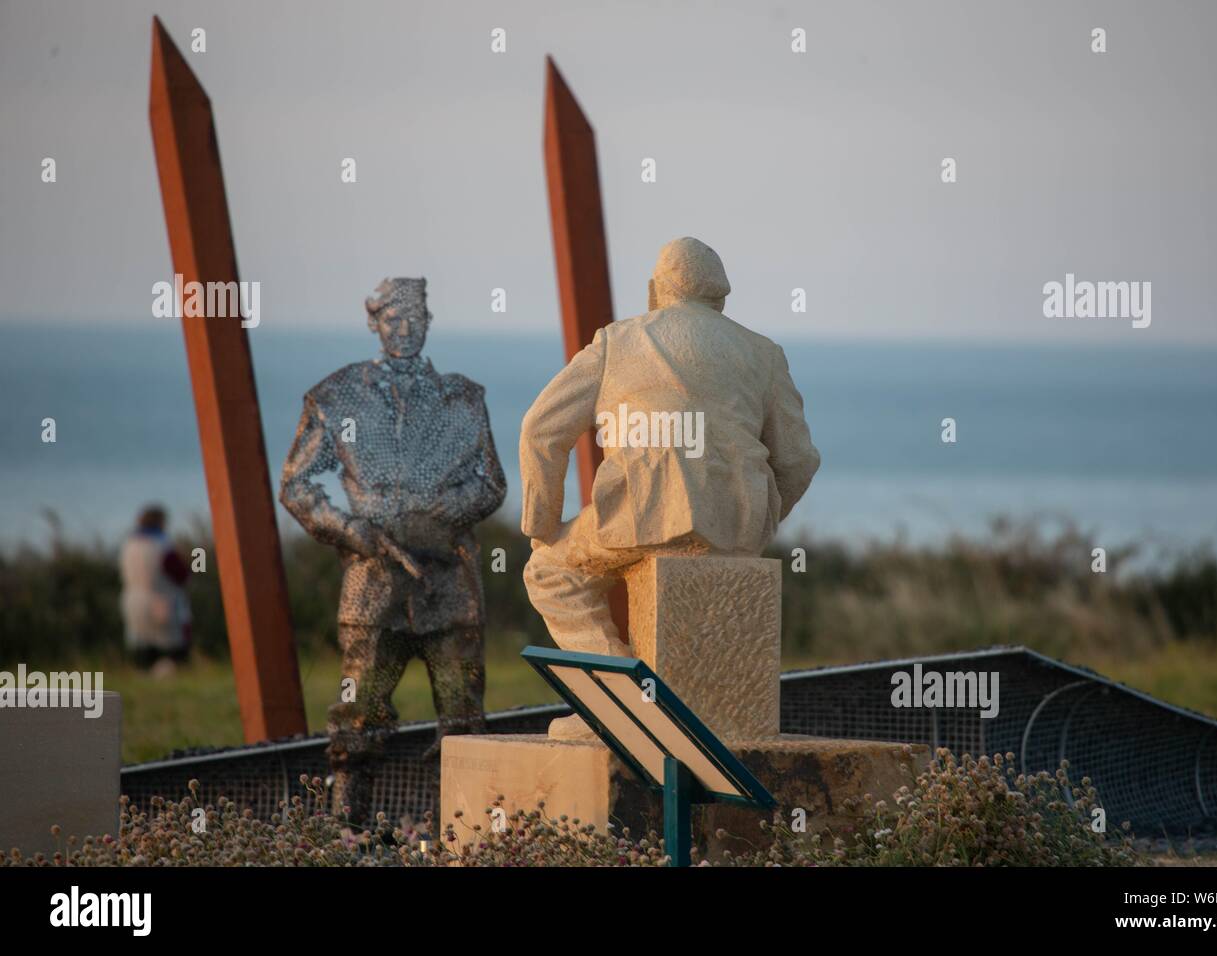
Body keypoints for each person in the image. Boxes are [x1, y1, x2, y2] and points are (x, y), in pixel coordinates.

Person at [520, 237, 821, 739]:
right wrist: (755, 525)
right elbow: (798, 460)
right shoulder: (764, 353)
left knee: (550, 571)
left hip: (642, 516)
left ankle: (621, 706)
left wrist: (540, 522)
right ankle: (635, 705)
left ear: (656, 291)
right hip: (736, 525)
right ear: (719, 299)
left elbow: (540, 430)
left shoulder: (618, 342)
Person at [280, 277, 506, 824]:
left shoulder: (464, 397)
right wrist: (348, 529)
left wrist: (445, 512)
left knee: (461, 714)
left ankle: (463, 827)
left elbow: (492, 483)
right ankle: (349, 827)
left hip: (449, 584)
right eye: (392, 319)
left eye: (414, 318)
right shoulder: (336, 397)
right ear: (374, 324)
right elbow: (297, 485)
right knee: (358, 713)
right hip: (372, 585)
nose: (404, 329)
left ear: (429, 323)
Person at [119, 505, 192, 675]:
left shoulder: (128, 544)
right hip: (163, 603)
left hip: (132, 602)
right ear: (161, 522)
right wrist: (198, 555)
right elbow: (184, 576)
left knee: (143, 652)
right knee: (173, 652)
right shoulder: (163, 546)